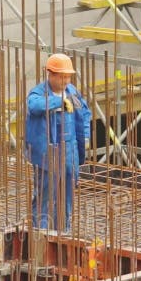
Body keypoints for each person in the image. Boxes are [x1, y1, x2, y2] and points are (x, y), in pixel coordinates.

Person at [25, 53, 91, 230]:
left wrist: (85, 136)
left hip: (70, 153)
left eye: (68, 76)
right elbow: (34, 106)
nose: (66, 80)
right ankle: (41, 232)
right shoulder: (38, 93)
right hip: (48, 154)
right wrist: (58, 101)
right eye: (62, 76)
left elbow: (85, 114)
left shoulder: (73, 92)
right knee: (45, 195)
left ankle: (63, 231)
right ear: (51, 74)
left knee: (66, 196)